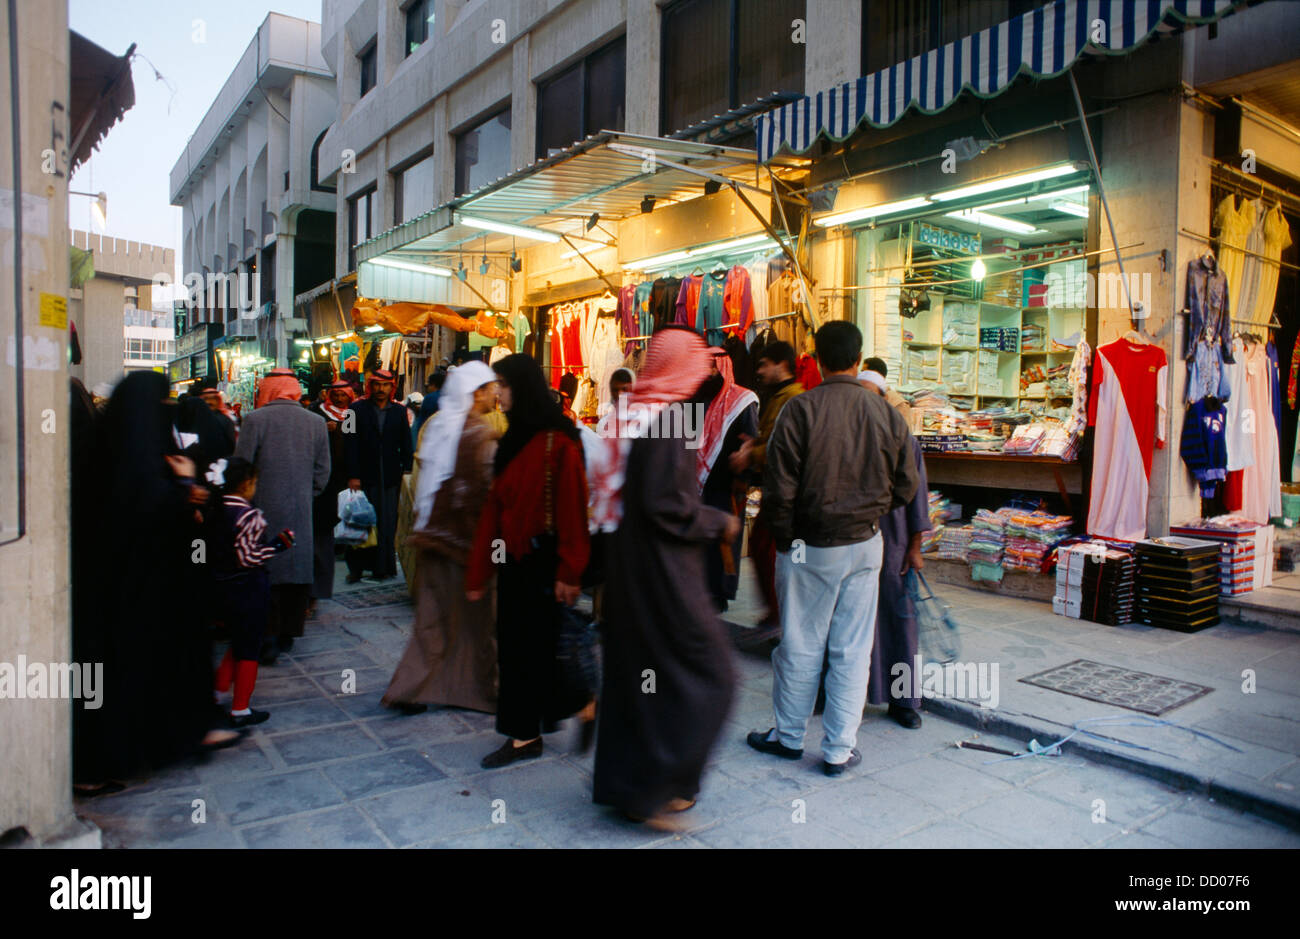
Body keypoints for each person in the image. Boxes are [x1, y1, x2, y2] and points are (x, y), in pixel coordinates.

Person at [747, 321, 918, 776]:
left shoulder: (800, 410)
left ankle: (788, 737)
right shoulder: (886, 413)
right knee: (852, 648)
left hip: (809, 546)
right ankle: (839, 749)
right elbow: (907, 487)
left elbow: (778, 490)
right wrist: (872, 509)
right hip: (865, 543)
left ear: (817, 362)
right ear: (858, 360)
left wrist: (787, 543)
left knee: (801, 644)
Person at [593, 326, 739, 825]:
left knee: (641, 677)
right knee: (712, 673)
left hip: (629, 566)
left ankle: (632, 786)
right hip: (661, 571)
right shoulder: (670, 418)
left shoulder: (635, 412)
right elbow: (665, 504)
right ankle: (661, 785)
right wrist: (719, 521)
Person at [74, 372, 239, 793]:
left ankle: (115, 758)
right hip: (143, 596)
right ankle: (114, 759)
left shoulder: (104, 451)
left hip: (112, 596)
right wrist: (186, 486)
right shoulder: (142, 464)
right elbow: (156, 512)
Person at [465, 354, 591, 769]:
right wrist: (480, 570)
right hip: (515, 563)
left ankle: (553, 720)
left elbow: (574, 508)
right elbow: (494, 511)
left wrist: (570, 570)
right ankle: (537, 727)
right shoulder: (512, 440)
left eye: (503, 384)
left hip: (546, 562)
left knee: (540, 649)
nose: (498, 392)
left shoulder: (560, 441)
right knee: (521, 651)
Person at [383, 361, 501, 715]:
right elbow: (488, 491)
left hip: (432, 537)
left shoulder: (437, 427)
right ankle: (485, 691)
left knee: (432, 620)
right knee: (482, 621)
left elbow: (425, 481)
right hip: (468, 543)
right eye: (490, 387)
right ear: (476, 392)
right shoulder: (480, 434)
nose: (495, 393)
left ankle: (408, 689)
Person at [234, 369, 331, 664]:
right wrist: (306, 495)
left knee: (265, 571)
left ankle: (267, 638)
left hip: (262, 509)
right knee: (295, 572)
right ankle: (288, 633)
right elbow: (323, 470)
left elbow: (241, 467)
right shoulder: (316, 422)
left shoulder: (254, 420)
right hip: (301, 510)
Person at [860, 369, 932, 728]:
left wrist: (915, 547)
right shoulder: (849, 438)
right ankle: (851, 695)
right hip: (855, 545)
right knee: (850, 626)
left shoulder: (904, 440)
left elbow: (918, 497)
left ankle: (903, 702)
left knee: (899, 625)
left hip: (896, 545)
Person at [211, 457, 295, 728]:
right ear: (247, 484)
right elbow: (248, 557)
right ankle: (240, 709)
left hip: (222, 586)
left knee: (236, 643)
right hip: (247, 588)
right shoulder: (249, 515)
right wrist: (278, 546)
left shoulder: (216, 508)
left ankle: (217, 693)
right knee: (249, 648)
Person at [728, 339, 803, 637]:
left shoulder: (792, 399)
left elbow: (781, 446)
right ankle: (778, 614)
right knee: (763, 549)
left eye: (763, 364)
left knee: (770, 552)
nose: (758, 370)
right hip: (777, 490)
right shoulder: (779, 396)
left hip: (787, 493)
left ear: (781, 365)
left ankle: (781, 617)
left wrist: (750, 453)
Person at [692, 349, 758, 611]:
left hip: (726, 484)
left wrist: (742, 478)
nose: (707, 372)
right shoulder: (695, 399)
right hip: (697, 483)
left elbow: (750, 442)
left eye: (711, 366)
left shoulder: (742, 400)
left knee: (722, 543)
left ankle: (718, 595)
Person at [343, 369, 414, 583]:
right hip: (364, 476)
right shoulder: (353, 410)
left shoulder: (400, 411)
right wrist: (353, 475)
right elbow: (349, 444)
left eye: (385, 385)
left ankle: (382, 567)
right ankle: (355, 568)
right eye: (377, 385)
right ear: (370, 386)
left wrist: (408, 470)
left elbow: (406, 443)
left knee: (387, 522)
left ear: (391, 387)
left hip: (390, 476)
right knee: (359, 521)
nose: (381, 389)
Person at [308, 380, 355, 601]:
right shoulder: (318, 412)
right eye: (335, 395)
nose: (338, 399)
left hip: (344, 470)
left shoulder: (351, 414)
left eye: (342, 396)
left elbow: (351, 435)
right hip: (324, 469)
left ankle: (344, 543)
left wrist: (338, 431)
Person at [861, 356, 913, 426]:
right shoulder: (862, 398)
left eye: (864, 373)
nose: (861, 375)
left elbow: (904, 434)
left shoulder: (898, 403)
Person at [412, 369, 446, 440]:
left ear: (433, 385)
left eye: (428, 385)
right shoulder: (448, 397)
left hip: (428, 435)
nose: (427, 388)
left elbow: (423, 419)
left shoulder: (429, 398)